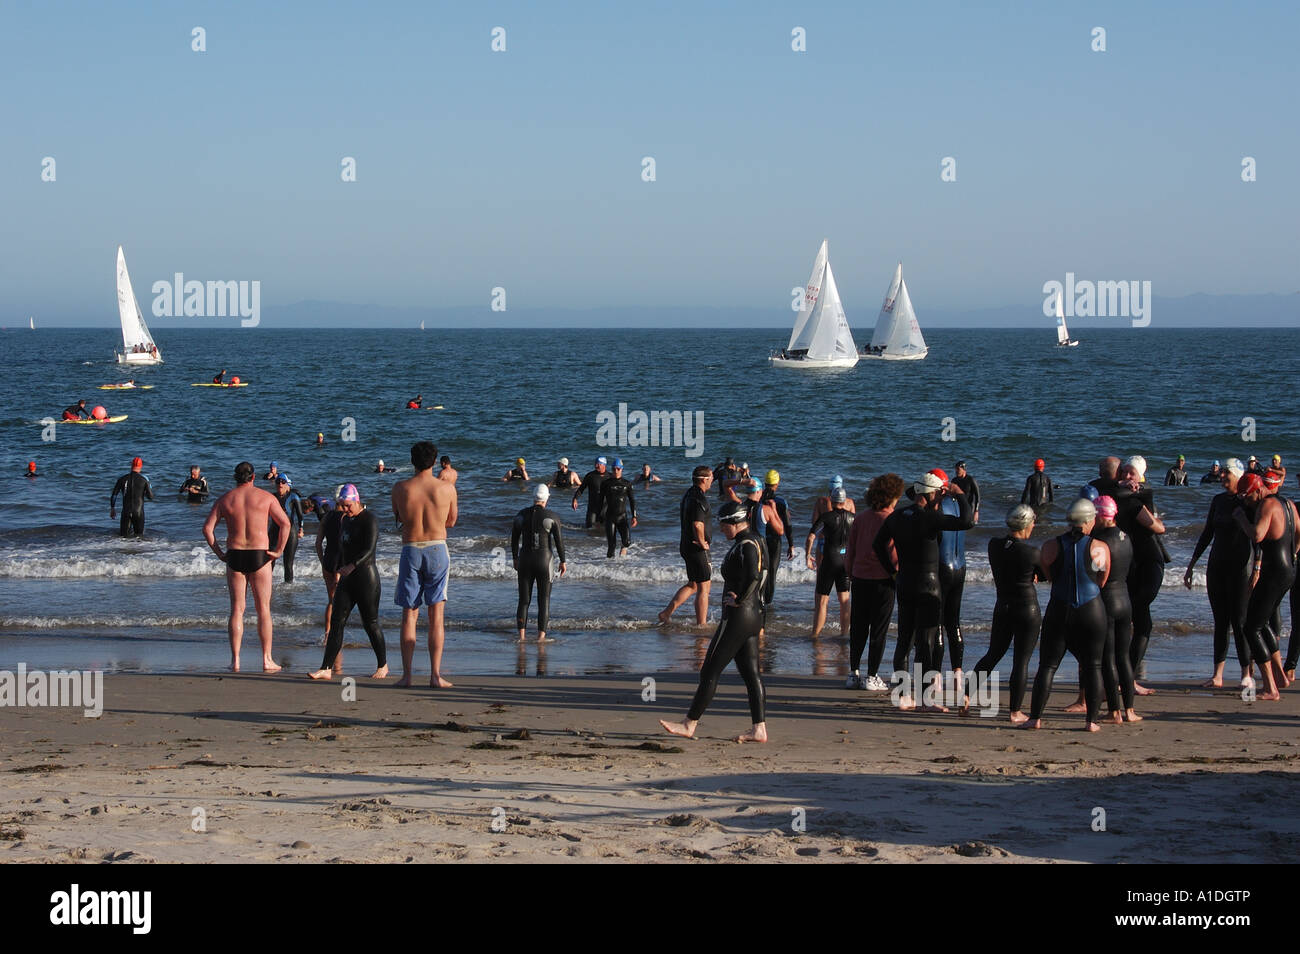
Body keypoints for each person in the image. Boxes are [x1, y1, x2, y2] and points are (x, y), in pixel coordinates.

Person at [659, 500, 769, 743]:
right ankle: (759, 729)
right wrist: (760, 611)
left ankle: (689, 724)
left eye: (723, 524)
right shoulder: (757, 541)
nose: (721, 529)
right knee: (751, 674)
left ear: (735, 523)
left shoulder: (747, 545)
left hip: (738, 618)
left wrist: (739, 599)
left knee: (709, 670)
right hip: (753, 617)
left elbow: (753, 576)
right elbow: (766, 581)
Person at [873, 471, 972, 711]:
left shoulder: (896, 517)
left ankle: (903, 696)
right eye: (940, 495)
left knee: (904, 641)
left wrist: (892, 572)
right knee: (926, 643)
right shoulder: (930, 518)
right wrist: (959, 496)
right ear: (931, 494)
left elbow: (878, 545)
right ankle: (926, 699)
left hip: (904, 582)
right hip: (929, 585)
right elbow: (967, 521)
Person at [1025, 498, 1111, 732]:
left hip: (1059, 609)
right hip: (1092, 609)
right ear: (1089, 520)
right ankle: (1091, 721)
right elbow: (1102, 579)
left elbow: (1050, 575)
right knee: (1093, 665)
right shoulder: (1100, 547)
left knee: (1048, 665)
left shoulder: (1050, 545)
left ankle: (1035, 718)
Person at [202, 461, 290, 673]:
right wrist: (278, 550)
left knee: (237, 609)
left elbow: (207, 529)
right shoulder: (266, 497)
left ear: (236, 478)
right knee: (263, 610)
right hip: (259, 555)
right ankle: (267, 659)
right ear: (252, 477)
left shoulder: (225, 499)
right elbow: (285, 524)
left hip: (235, 555)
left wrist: (220, 553)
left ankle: (235, 661)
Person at [391, 440, 458, 688]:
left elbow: (399, 518)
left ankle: (407, 675)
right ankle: (435, 675)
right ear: (434, 461)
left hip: (411, 548)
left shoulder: (400, 488)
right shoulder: (447, 488)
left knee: (409, 613)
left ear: (412, 461)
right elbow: (451, 521)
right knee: (436, 614)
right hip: (437, 548)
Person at [969, 505, 1044, 722]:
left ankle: (966, 698)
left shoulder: (994, 545)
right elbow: (1045, 574)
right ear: (1025, 525)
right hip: (1026, 608)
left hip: (1002, 607)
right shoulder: (1031, 552)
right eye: (1032, 523)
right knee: (1021, 661)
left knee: (992, 654)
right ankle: (1015, 711)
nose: (1033, 527)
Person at [308, 485, 389, 681]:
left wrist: (351, 566)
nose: (344, 510)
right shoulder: (345, 521)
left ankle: (382, 665)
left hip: (366, 578)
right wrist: (338, 567)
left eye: (347, 506)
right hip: (347, 578)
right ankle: (326, 668)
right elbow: (341, 548)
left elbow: (369, 550)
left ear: (356, 500)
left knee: (370, 623)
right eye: (342, 506)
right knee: (337, 622)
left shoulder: (369, 519)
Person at [1186, 459, 1253, 688]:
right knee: (1221, 622)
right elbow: (1207, 534)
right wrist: (1191, 564)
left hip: (1241, 569)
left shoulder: (1247, 503)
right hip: (1217, 567)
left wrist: (1259, 567)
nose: (1223, 477)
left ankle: (1246, 673)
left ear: (1238, 477)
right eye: (1222, 473)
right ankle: (1217, 675)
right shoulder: (1218, 501)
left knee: (1241, 622)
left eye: (1227, 474)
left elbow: (1258, 537)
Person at [1234, 473, 1296, 700]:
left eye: (1247, 497)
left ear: (1258, 490)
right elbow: (1298, 533)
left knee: (1251, 627)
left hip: (1274, 572)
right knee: (1263, 621)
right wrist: (1293, 557)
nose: (1245, 502)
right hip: (1289, 569)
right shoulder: (1288, 503)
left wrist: (1242, 519)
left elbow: (1257, 535)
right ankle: (1280, 676)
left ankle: (1271, 688)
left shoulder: (1266, 504)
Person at [844, 474, 903, 691]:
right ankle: (872, 675)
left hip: (859, 577)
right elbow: (895, 552)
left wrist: (850, 572)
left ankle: (853, 673)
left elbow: (850, 550)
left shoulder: (860, 518)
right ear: (890, 497)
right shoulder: (894, 519)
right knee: (879, 630)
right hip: (883, 580)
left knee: (858, 627)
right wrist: (898, 573)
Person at [1114, 457, 1166, 694]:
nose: (1126, 477)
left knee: (1141, 620)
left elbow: (1157, 526)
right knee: (1138, 621)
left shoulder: (1136, 498)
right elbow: (1158, 526)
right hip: (1133, 564)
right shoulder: (1129, 499)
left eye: (1131, 473)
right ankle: (1126, 679)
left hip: (1148, 564)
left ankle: (1128, 679)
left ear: (1141, 476)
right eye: (1123, 472)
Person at [1087, 496, 1141, 722]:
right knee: (1124, 657)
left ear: (1100, 516)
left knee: (1108, 658)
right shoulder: (1126, 536)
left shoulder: (1099, 541)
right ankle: (1130, 710)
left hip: (1107, 600)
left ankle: (1114, 711)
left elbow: (1095, 573)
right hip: (1124, 599)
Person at [511, 484, 566, 642]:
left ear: (534, 497)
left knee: (523, 600)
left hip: (525, 560)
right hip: (544, 560)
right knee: (544, 600)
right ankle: (541, 637)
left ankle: (521, 637)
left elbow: (514, 539)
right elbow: (559, 542)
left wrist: (515, 558)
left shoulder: (521, 515)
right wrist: (563, 561)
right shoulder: (552, 516)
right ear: (546, 498)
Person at [659, 466, 714, 626]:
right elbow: (697, 524)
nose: (712, 481)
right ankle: (702, 625)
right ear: (704, 480)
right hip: (697, 549)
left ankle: (666, 613)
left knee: (693, 585)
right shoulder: (699, 498)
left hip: (686, 545)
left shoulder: (688, 494)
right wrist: (703, 542)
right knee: (704, 589)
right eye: (710, 478)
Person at [933, 468, 968, 680]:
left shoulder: (937, 508)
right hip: (960, 567)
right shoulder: (958, 505)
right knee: (954, 621)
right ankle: (957, 673)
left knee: (937, 622)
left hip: (942, 566)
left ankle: (936, 676)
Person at [806, 487, 853, 637]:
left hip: (829, 561)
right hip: (845, 561)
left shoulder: (826, 517)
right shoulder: (853, 518)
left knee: (822, 601)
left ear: (831, 501)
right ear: (844, 501)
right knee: (844, 600)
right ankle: (844, 635)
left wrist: (808, 555)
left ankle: (815, 635)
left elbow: (811, 537)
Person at [314, 490, 345, 650]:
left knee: (331, 600)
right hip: (341, 562)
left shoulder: (326, 517)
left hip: (328, 560)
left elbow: (318, 543)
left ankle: (327, 634)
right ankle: (337, 635)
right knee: (341, 602)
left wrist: (322, 560)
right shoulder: (347, 518)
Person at [760, 470, 794, 606]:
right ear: (777, 483)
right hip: (774, 540)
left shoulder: (757, 499)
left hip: (760, 539)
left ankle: (758, 598)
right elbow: (787, 525)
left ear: (765, 482)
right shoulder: (780, 502)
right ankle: (767, 602)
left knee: (760, 570)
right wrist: (791, 545)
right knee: (772, 572)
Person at [598, 458, 637, 558]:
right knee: (611, 546)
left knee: (627, 542)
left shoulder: (627, 484)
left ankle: (622, 552)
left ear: (622, 469)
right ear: (611, 469)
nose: (616, 471)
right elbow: (600, 500)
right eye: (614, 469)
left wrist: (634, 516)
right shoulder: (606, 484)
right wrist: (600, 515)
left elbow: (632, 501)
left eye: (618, 469)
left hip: (622, 517)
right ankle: (609, 568)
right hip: (610, 517)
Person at [110, 456, 154, 537]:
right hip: (139, 512)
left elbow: (114, 495)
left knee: (123, 537)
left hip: (126, 512)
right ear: (141, 466)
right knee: (139, 537)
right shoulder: (144, 480)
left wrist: (112, 508)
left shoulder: (122, 479)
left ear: (131, 465)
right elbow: (150, 497)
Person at [273, 475, 305, 583]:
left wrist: (301, 529)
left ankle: (288, 588)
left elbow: (300, 515)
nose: (280, 484)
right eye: (278, 482)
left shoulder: (293, 497)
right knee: (269, 560)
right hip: (274, 531)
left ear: (288, 485)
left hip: (290, 532)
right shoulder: (271, 497)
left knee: (287, 563)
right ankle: (266, 583)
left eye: (283, 482)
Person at [572, 457, 609, 529]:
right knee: (589, 529)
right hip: (592, 508)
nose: (596, 466)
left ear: (604, 465)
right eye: (595, 464)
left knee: (606, 531)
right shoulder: (590, 476)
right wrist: (575, 499)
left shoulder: (610, 477)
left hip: (606, 509)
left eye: (598, 464)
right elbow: (581, 489)